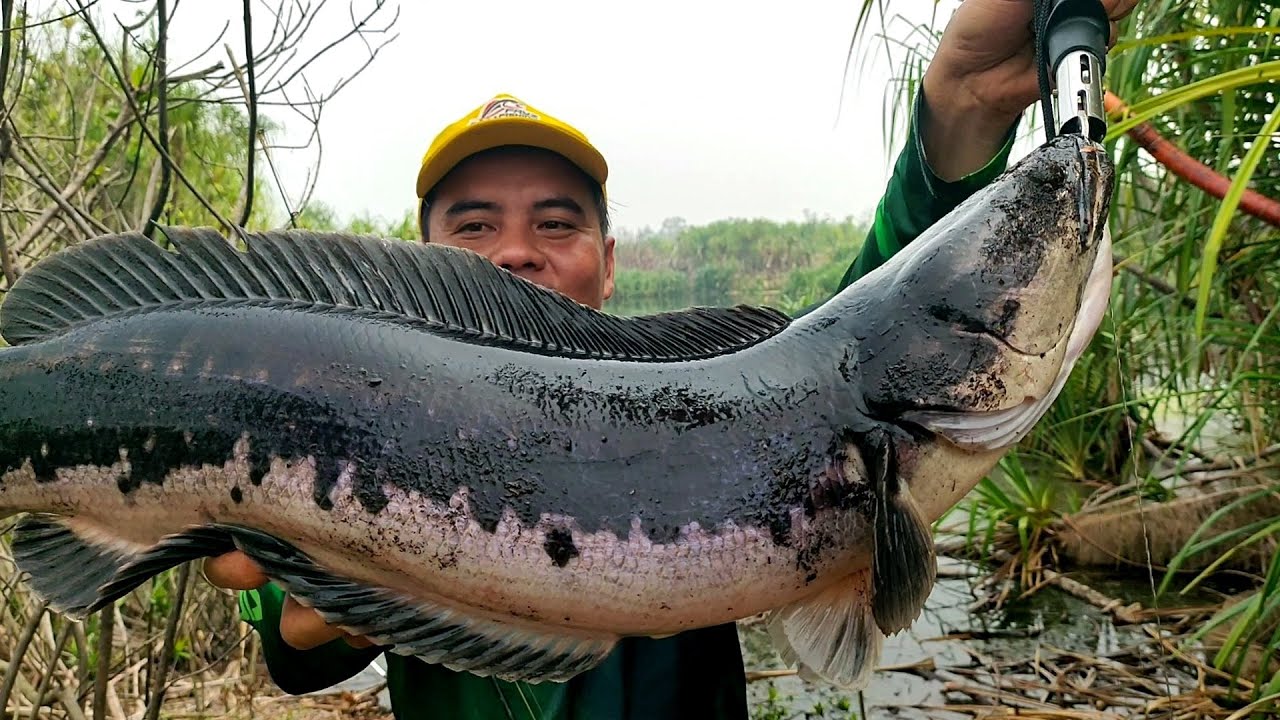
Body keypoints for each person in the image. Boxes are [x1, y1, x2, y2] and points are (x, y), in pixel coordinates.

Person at [204, 0, 1138, 716]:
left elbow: (863, 341)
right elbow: (292, 650)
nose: (517, 250)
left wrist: (962, 103)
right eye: (473, 224)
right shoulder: (340, 419)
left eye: (556, 222)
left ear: (609, 267)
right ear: (418, 268)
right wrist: (333, 587)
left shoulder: (715, 401)